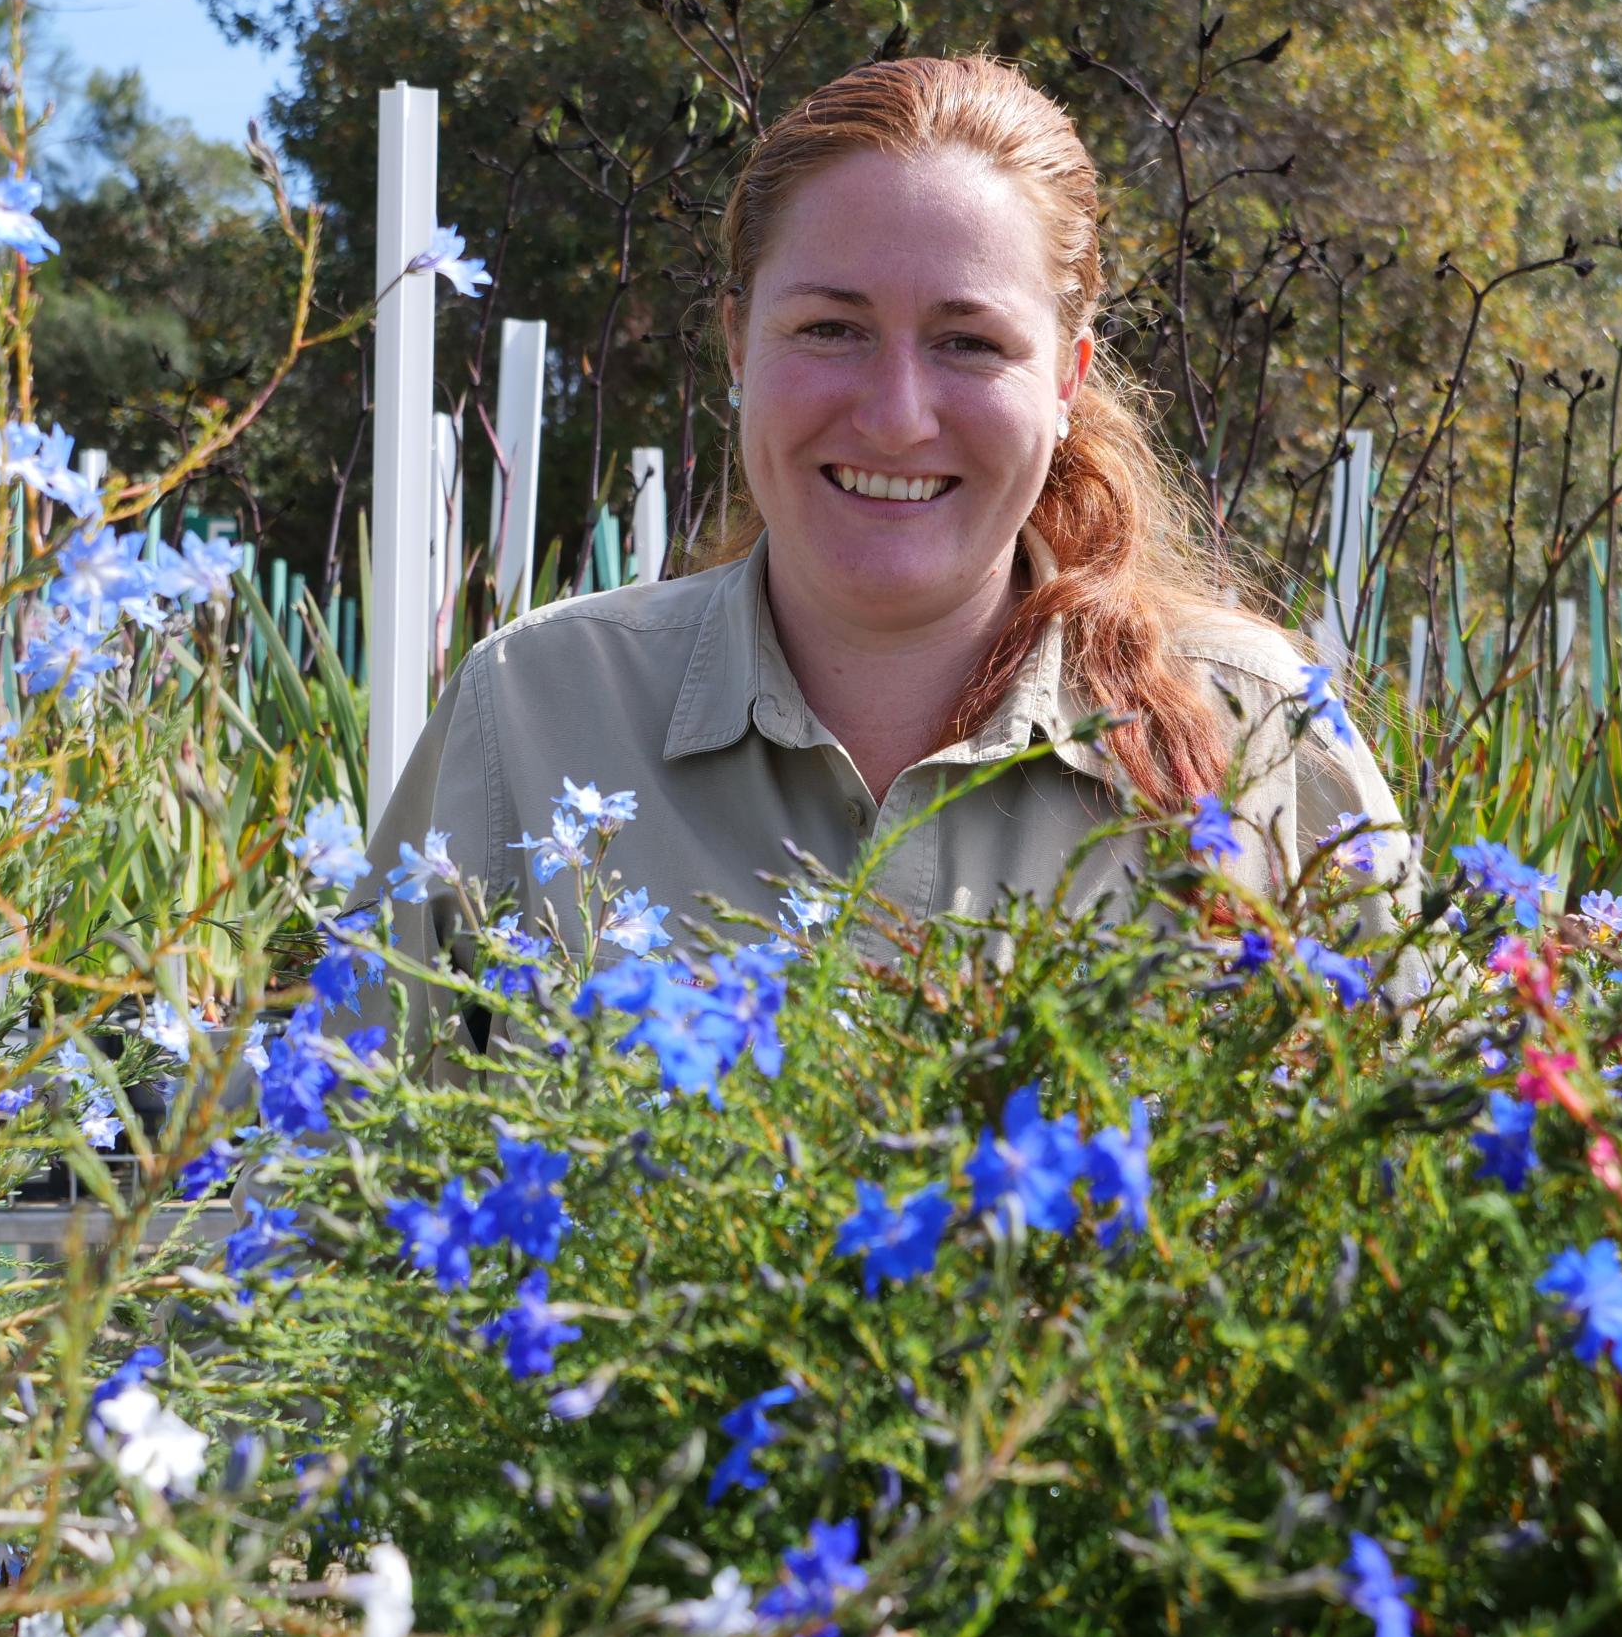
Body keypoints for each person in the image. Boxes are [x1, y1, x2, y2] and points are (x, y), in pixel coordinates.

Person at [356, 55, 1417, 1041]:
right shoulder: (536, 713)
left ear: (1064, 379)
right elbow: (331, 1199)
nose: (897, 416)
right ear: (737, 342)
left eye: (969, 343)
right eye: (830, 329)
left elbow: (1431, 1185)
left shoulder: (1255, 731)